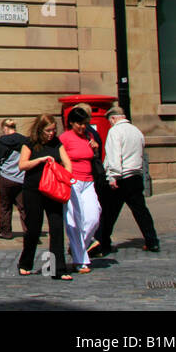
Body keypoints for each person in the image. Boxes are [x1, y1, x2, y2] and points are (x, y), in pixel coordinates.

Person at [92, 105, 159, 255]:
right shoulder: (137, 131)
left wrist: (113, 177)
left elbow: (114, 156)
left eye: (110, 121)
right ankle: (152, 241)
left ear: (114, 118)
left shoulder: (115, 131)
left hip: (120, 177)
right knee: (141, 211)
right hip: (135, 175)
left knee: (109, 212)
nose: (110, 124)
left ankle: (104, 244)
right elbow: (141, 154)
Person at [17, 113, 74, 281]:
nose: (52, 134)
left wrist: (64, 174)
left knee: (56, 227)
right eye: (48, 131)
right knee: (33, 228)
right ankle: (25, 263)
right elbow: (22, 165)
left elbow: (68, 164)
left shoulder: (57, 143)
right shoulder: (30, 144)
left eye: (54, 130)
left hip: (53, 190)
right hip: (33, 190)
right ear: (40, 130)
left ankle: (58, 268)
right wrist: (41, 160)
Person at [60, 106, 103, 272]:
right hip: (73, 181)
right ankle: (80, 261)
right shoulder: (65, 138)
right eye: (79, 124)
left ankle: (76, 248)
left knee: (94, 217)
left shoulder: (89, 136)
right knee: (74, 219)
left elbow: (94, 158)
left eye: (85, 124)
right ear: (71, 123)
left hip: (89, 181)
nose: (83, 127)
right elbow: (59, 158)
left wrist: (96, 149)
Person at [0, 118, 29, 239]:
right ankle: (29, 231)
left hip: (6, 178)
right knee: (24, 207)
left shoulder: (2, 142)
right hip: (22, 177)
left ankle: (5, 232)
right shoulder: (25, 141)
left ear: (5, 128)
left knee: (5, 206)